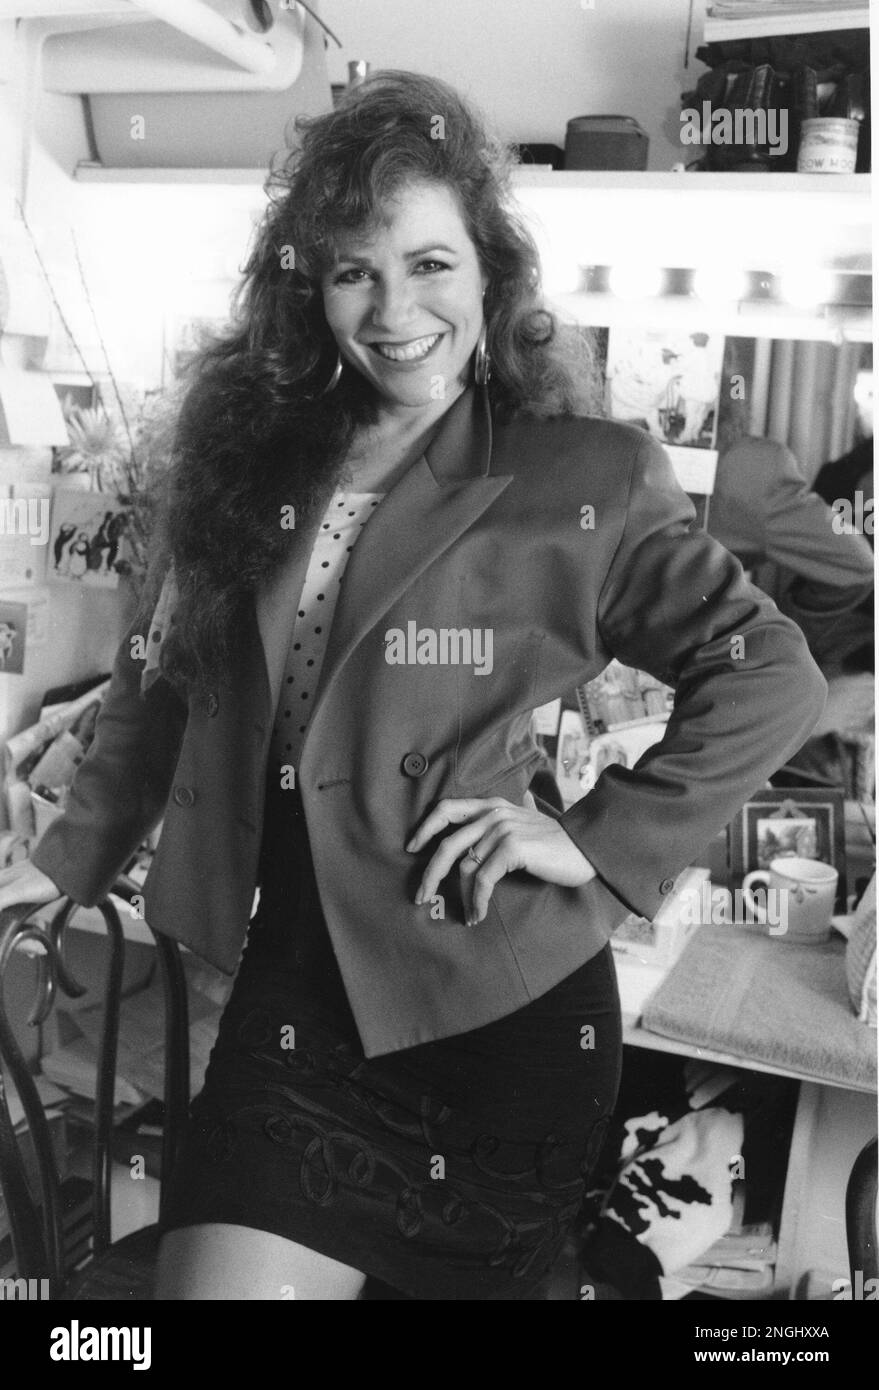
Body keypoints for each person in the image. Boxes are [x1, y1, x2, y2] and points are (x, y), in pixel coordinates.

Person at [0, 71, 826, 1302]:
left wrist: (590, 846)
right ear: (309, 289)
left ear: (490, 274)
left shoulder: (577, 477)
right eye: (353, 271)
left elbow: (772, 674)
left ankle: (616, 1254)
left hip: (502, 1005)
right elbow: (149, 686)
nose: (397, 310)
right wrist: (58, 872)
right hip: (294, 1005)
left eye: (431, 263)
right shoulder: (236, 465)